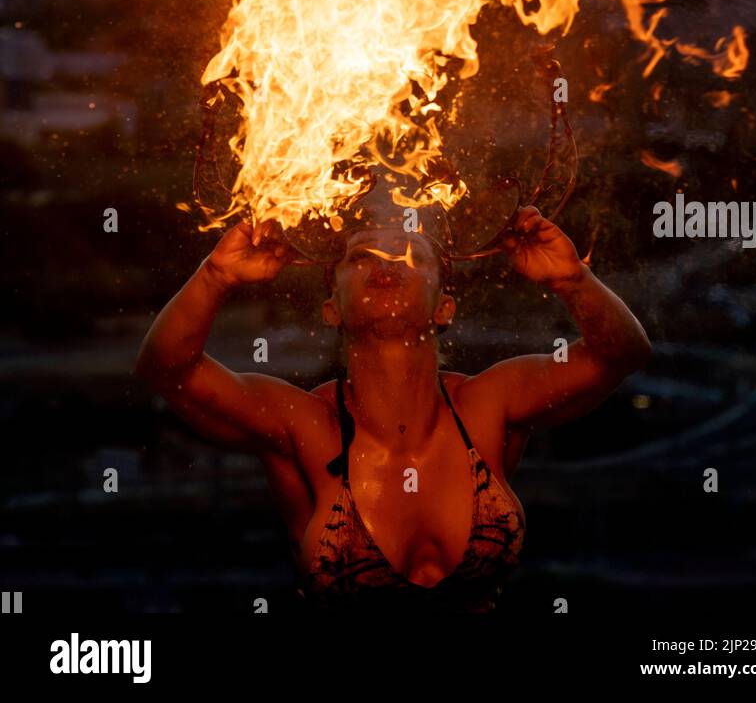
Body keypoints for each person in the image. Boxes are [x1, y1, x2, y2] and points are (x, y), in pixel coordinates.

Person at [135, 204, 651, 613]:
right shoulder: (303, 423)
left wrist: (572, 281)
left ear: (444, 306)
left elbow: (621, 354)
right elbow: (168, 369)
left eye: (410, 253)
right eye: (360, 256)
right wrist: (215, 276)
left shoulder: (490, 402)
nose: (386, 263)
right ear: (331, 309)